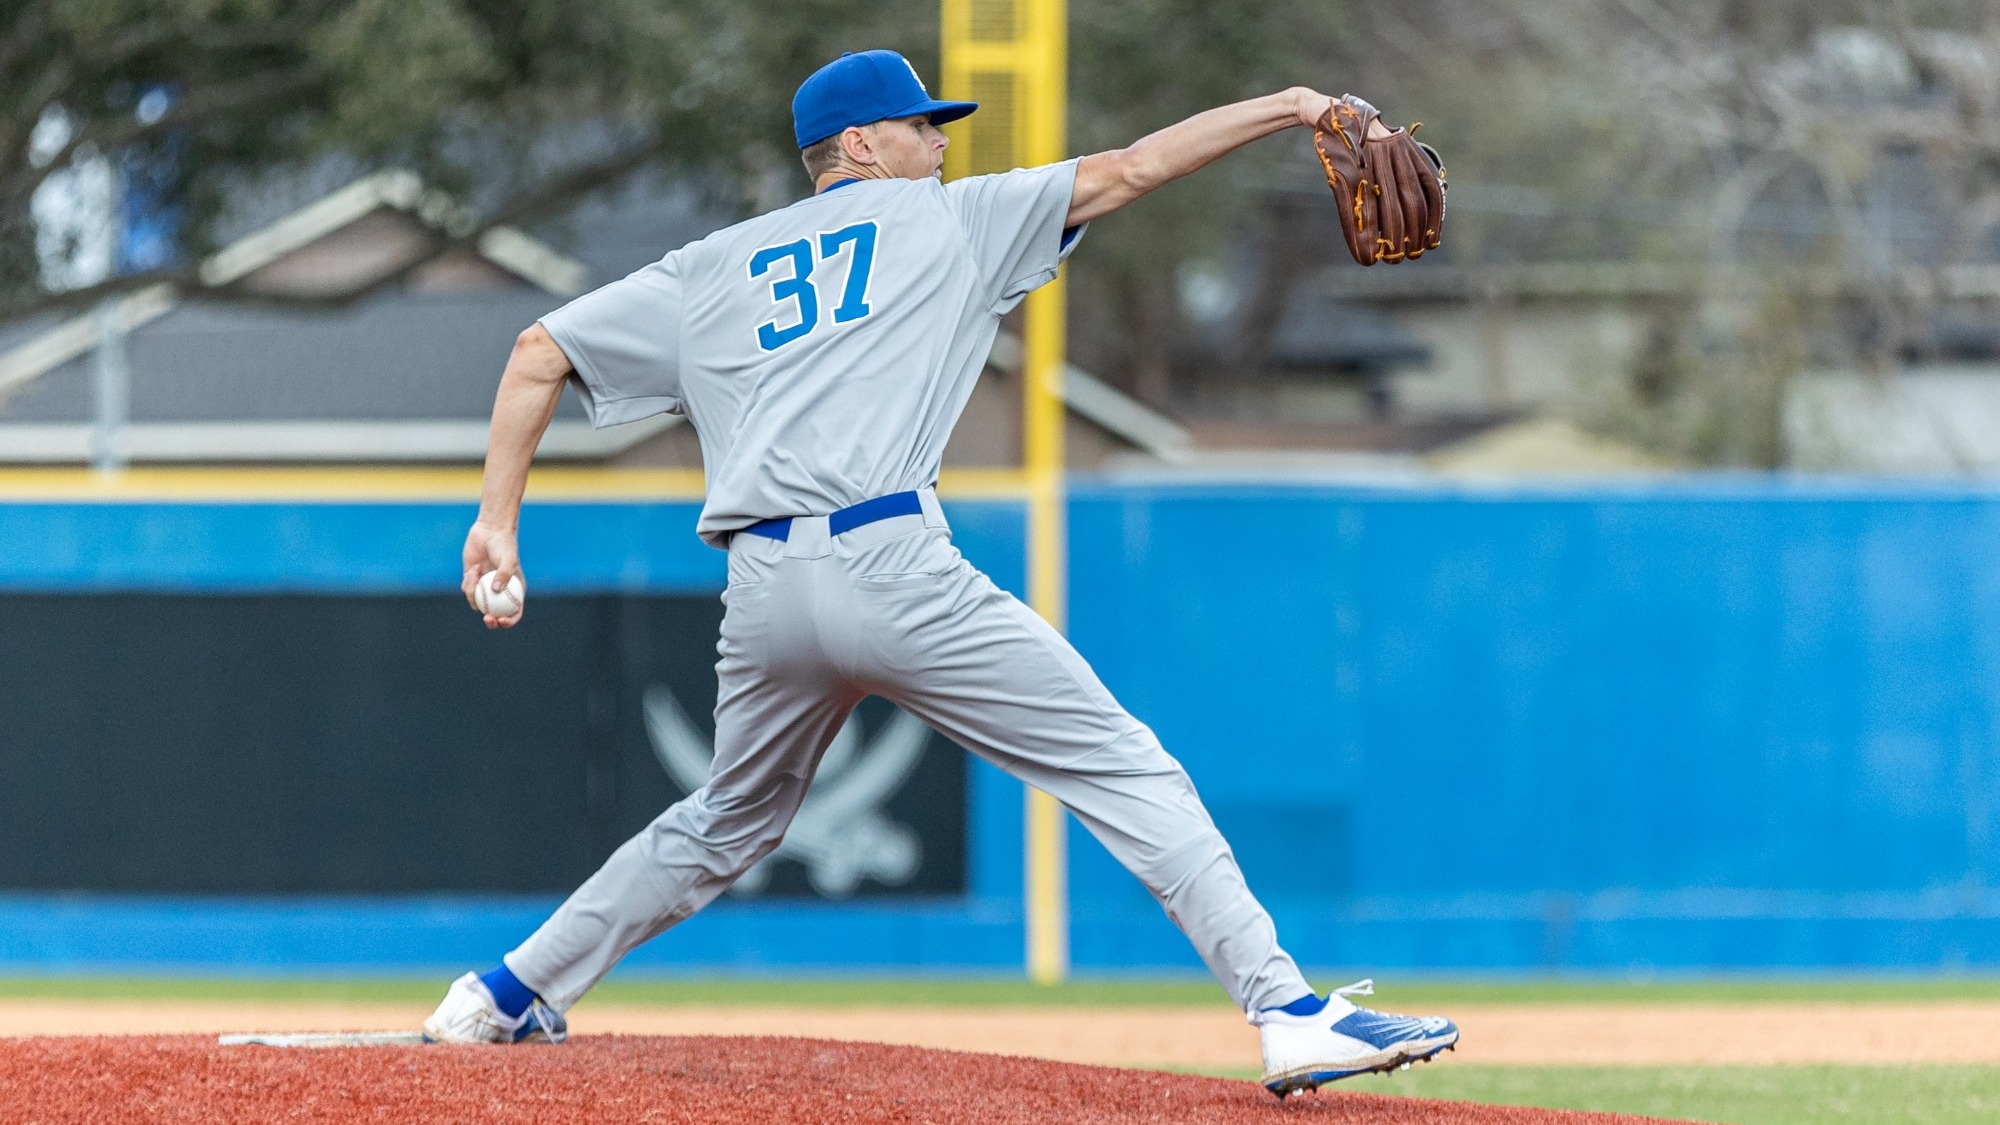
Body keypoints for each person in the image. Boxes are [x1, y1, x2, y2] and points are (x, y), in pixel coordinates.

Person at [421, 48, 1457, 1097]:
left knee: (722, 823)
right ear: (861, 144)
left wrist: (496, 522)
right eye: (921, 127)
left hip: (763, 589)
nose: (941, 141)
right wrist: (1290, 104)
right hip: (892, 564)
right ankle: (1285, 1011)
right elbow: (1138, 166)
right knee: (1124, 768)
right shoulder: (950, 218)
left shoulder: (710, 266)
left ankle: (501, 995)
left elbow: (536, 349)